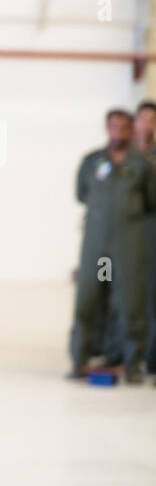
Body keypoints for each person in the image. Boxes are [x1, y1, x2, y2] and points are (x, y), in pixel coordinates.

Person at [68, 109, 156, 382]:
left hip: (127, 244)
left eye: (124, 127)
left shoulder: (141, 165)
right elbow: (82, 194)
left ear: (131, 131)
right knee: (87, 300)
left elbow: (150, 201)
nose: (118, 132)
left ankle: (131, 365)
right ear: (107, 128)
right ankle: (79, 361)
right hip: (95, 245)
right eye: (113, 126)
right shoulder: (92, 161)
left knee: (129, 303)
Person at [135, 101, 156, 374]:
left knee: (151, 299)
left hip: (151, 238)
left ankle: (149, 359)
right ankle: (121, 354)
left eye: (153, 120)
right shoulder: (119, 156)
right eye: (143, 119)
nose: (147, 125)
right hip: (120, 243)